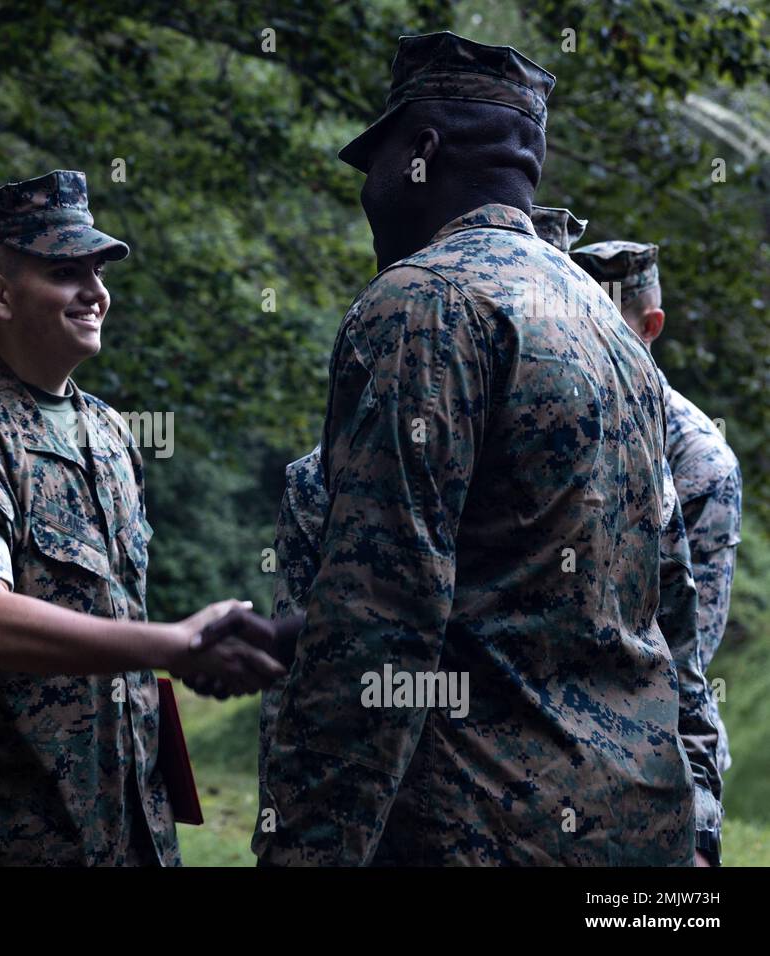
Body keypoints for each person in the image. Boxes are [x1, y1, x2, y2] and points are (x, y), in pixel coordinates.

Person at [255, 32, 712, 865]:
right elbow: (669, 604)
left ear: (422, 152)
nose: (371, 190)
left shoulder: (423, 303)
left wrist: (307, 848)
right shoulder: (606, 328)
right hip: (637, 835)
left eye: (378, 160)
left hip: (479, 830)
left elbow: (379, 614)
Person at [0, 169, 284, 865]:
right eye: (66, 272)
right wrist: (174, 643)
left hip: (135, 825)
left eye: (99, 272)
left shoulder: (110, 434)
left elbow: (114, 616)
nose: (96, 293)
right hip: (24, 836)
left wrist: (194, 648)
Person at [572, 239, 739, 864]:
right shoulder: (558, 422)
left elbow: (687, 650)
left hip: (654, 742)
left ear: (652, 326)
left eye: (616, 326)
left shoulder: (698, 462)